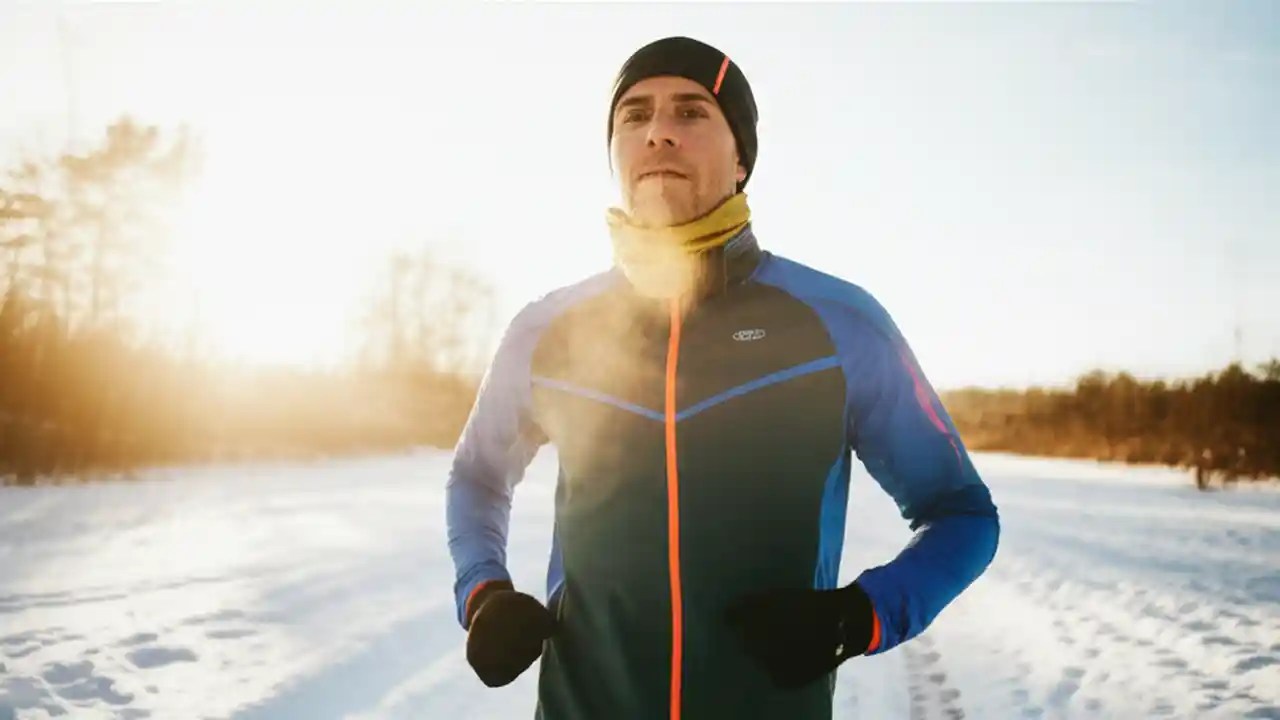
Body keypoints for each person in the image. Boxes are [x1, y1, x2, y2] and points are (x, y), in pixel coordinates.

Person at [446, 35, 1000, 720]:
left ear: (742, 158)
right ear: (615, 152)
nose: (659, 135)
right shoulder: (548, 330)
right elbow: (477, 476)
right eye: (635, 116)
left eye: (690, 112)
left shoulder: (839, 325)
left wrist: (861, 616)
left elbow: (964, 516)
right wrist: (484, 593)